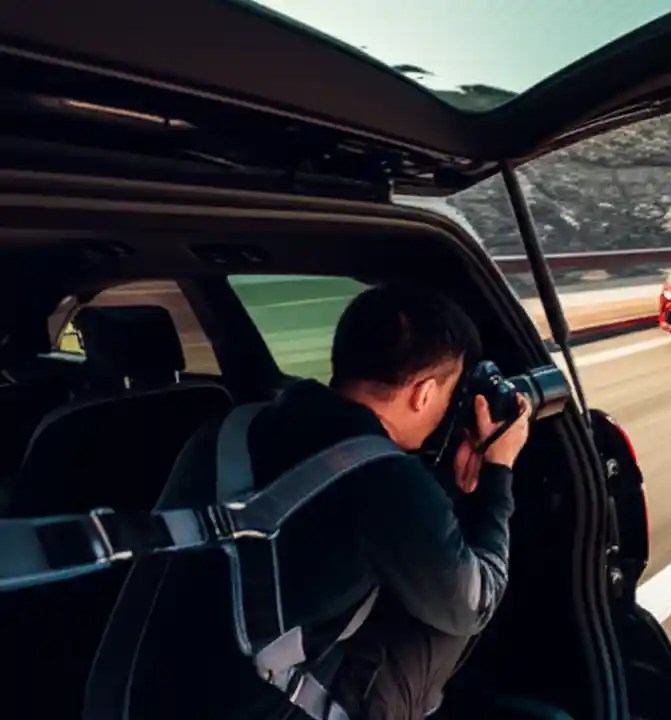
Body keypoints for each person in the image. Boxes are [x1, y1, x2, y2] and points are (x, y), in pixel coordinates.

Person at [174, 284, 531, 720]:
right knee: (439, 616)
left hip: (154, 682)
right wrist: (499, 470)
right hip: (262, 703)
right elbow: (474, 603)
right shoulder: (387, 481)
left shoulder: (230, 428)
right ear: (422, 393)